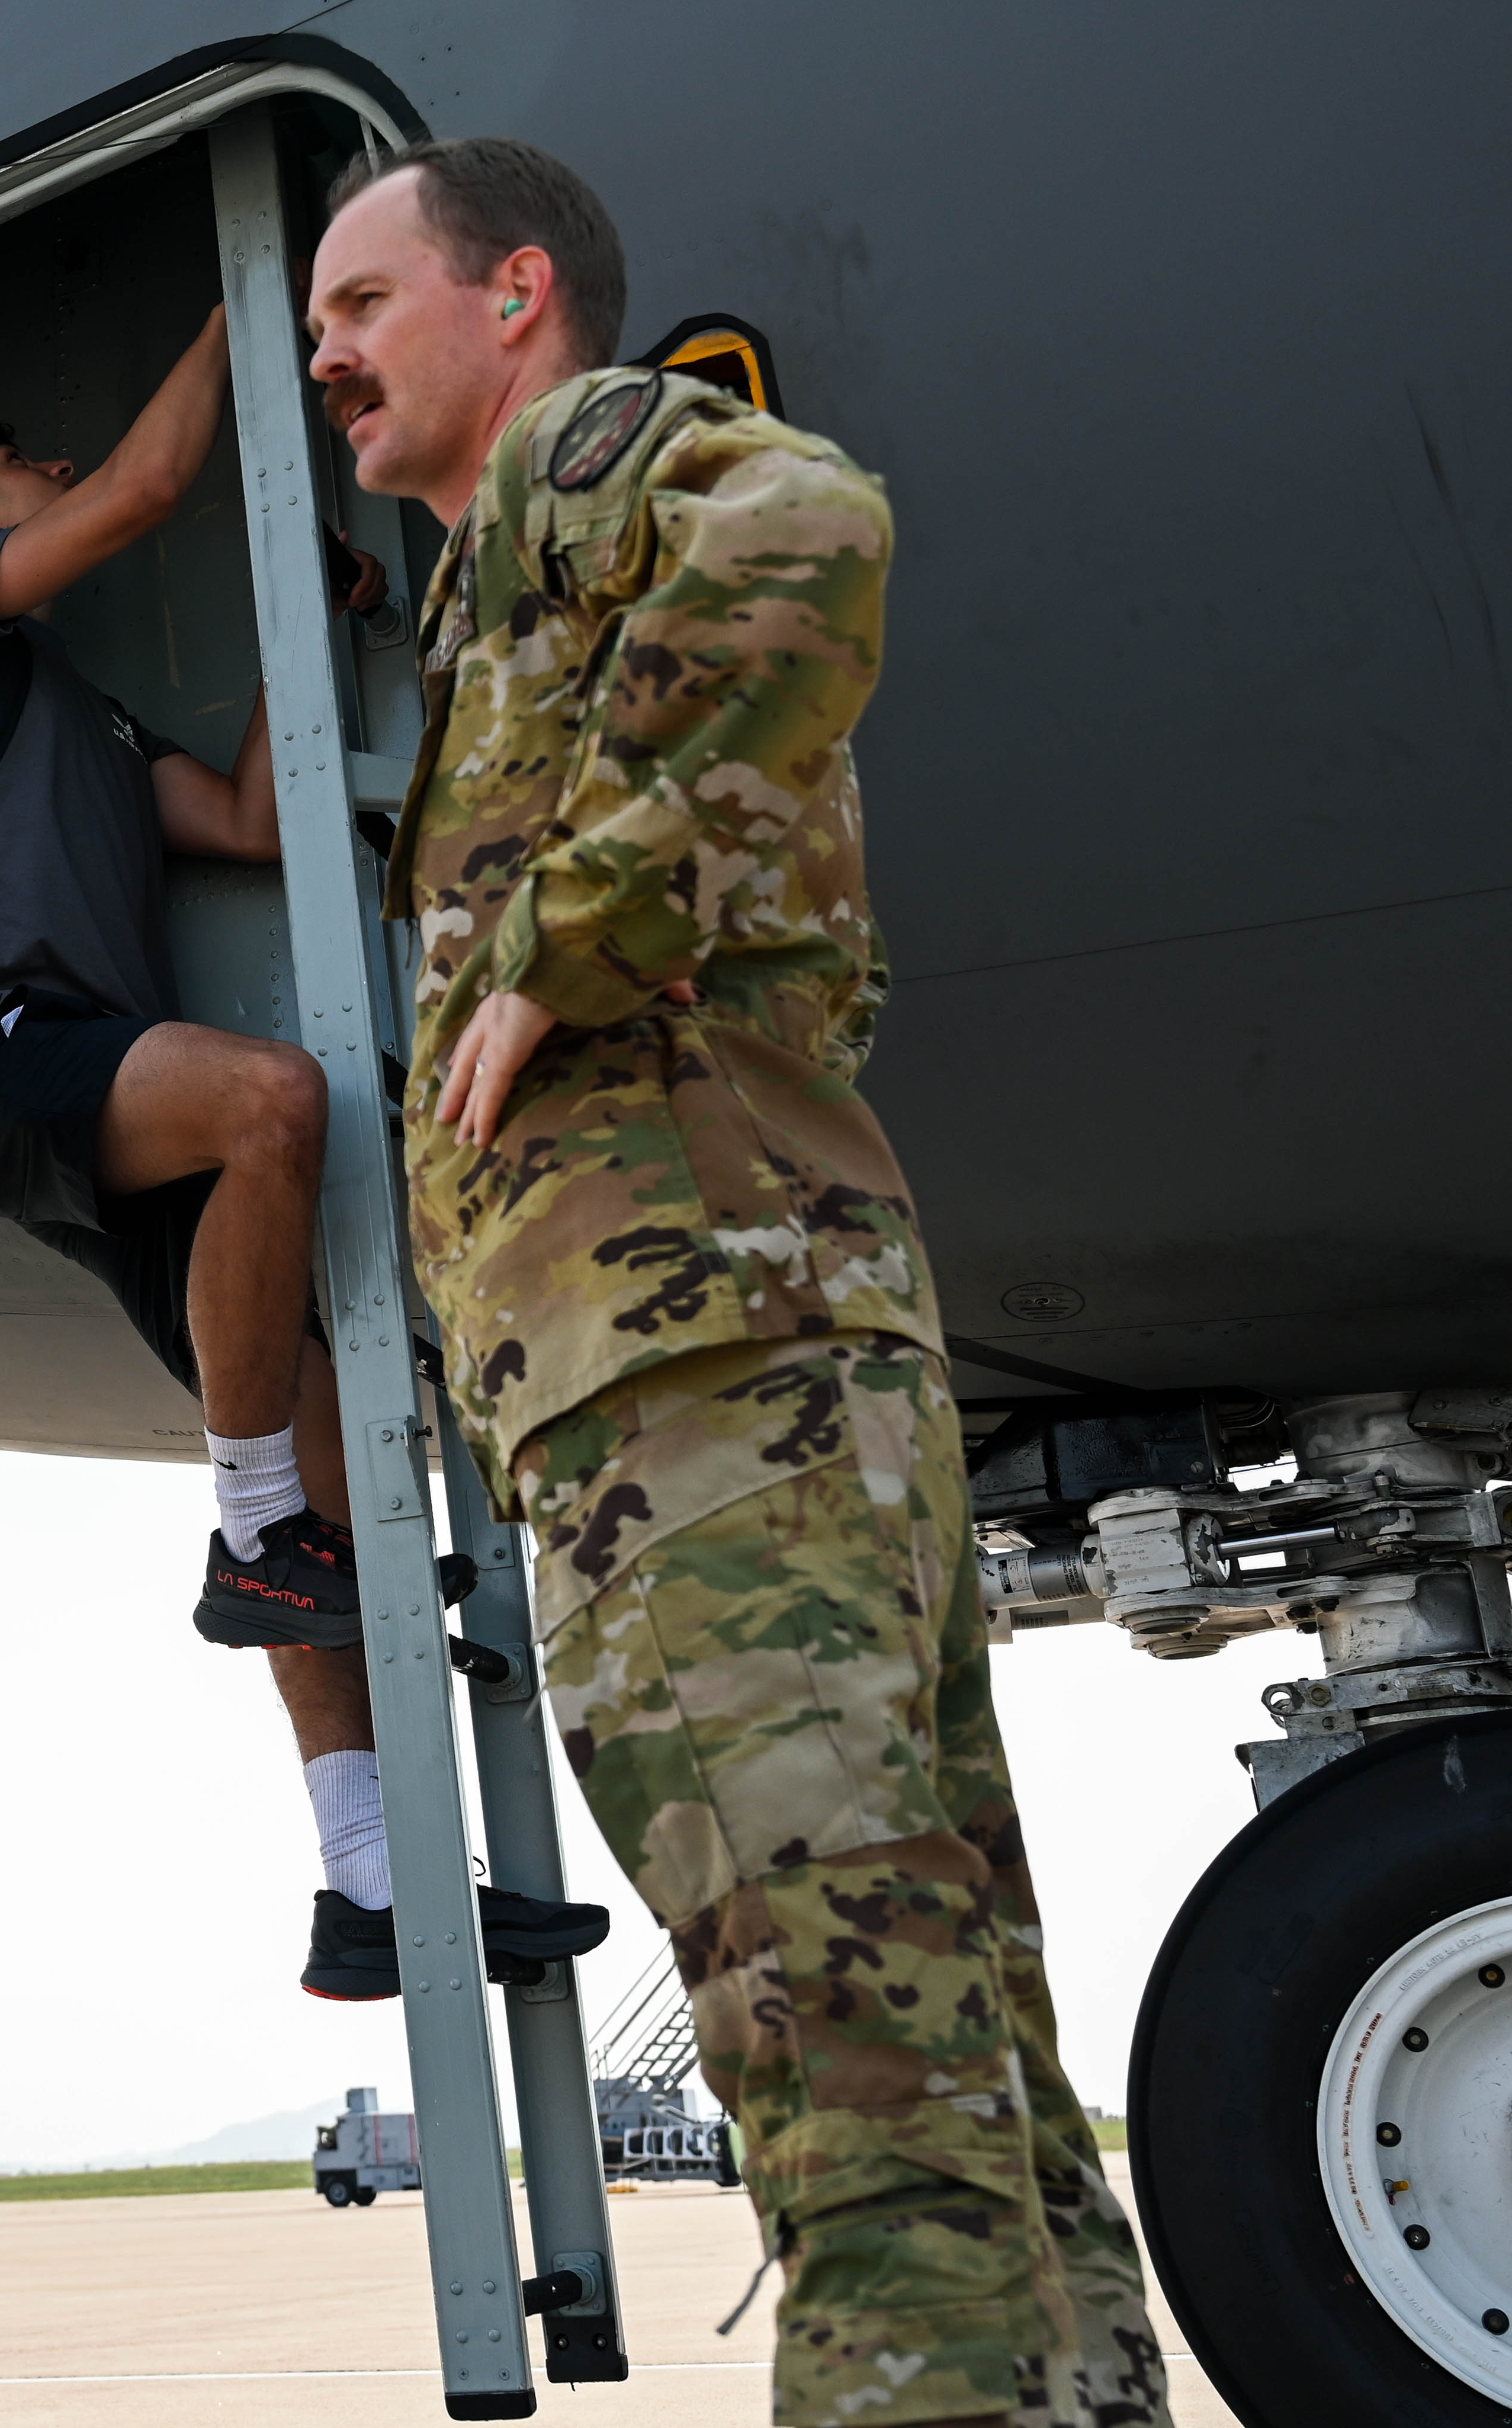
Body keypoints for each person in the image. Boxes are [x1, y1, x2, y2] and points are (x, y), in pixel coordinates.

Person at [309, 136, 1164, 2428]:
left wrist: (569, 926)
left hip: (689, 1378)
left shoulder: (583, 455)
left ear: (512, 300)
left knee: (843, 2068)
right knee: (952, 2056)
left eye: (360, 303)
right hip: (766, 1358)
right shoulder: (498, 591)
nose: (326, 352)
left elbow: (812, 534)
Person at [0, 322, 605, 2002]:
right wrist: (242, 313)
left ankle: (370, 1889)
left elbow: (259, 823)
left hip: (101, 1098)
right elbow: (143, 484)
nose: (44, 466)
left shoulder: (84, 721)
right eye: (12, 460)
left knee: (332, 1443)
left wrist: (308, 622)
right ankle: (249, 1523)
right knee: (274, 1103)